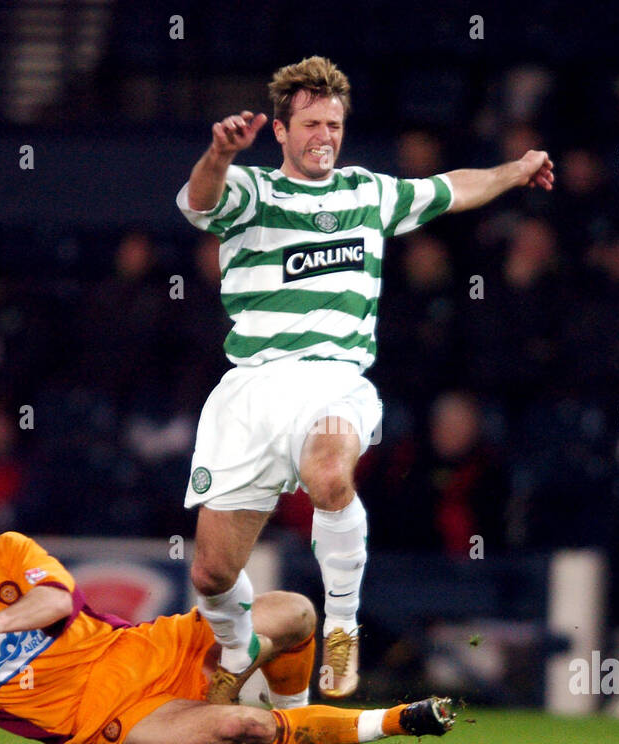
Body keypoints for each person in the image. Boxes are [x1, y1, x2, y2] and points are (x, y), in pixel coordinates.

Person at [177, 55, 554, 701]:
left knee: (329, 475)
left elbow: (451, 188)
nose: (324, 135)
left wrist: (514, 171)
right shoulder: (252, 193)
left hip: (333, 377)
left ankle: (343, 627)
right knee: (212, 571)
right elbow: (201, 200)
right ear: (281, 131)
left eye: (334, 123)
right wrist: (218, 154)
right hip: (251, 388)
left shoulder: (368, 192)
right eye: (311, 124)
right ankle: (239, 655)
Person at [0, 483, 455, 744]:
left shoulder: (6, 550)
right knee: (241, 724)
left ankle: (308, 726)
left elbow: (60, 601)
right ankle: (385, 721)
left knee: (297, 612)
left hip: (159, 644)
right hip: (104, 715)